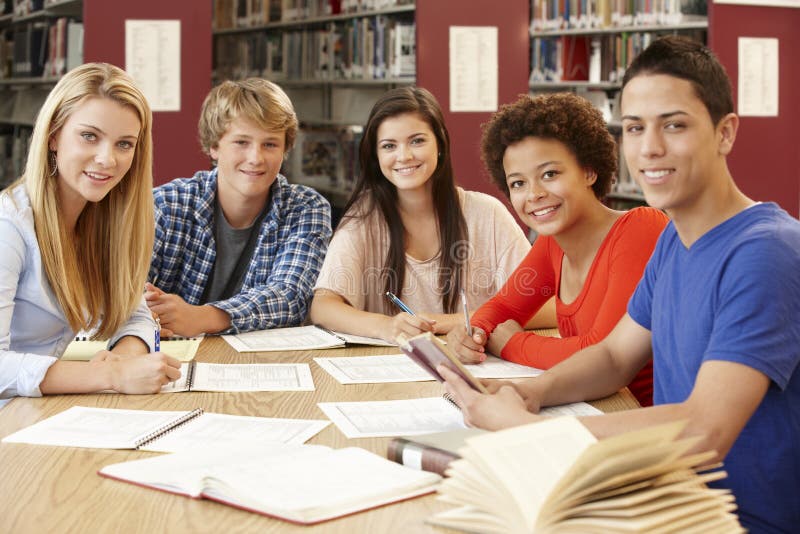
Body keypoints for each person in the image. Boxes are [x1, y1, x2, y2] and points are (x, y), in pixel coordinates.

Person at [439, 36, 800, 533]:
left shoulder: (766, 252)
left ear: (725, 133)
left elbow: (703, 431)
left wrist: (522, 429)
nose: (649, 148)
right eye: (634, 128)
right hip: (660, 497)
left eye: (674, 125)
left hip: (733, 521)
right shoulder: (674, 241)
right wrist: (532, 392)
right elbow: (614, 358)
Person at [448, 93, 668, 406]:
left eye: (549, 174)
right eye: (518, 183)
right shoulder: (554, 242)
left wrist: (512, 343)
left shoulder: (640, 229)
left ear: (589, 172)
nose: (534, 194)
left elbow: (601, 353)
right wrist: (474, 333)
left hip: (642, 421)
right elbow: (502, 309)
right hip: (590, 407)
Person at [0, 63, 182, 403]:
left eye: (124, 144)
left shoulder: (104, 221)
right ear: (54, 135)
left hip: (39, 410)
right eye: (89, 136)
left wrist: (127, 357)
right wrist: (110, 374)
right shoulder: (9, 227)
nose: (106, 159)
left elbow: (136, 311)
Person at [309, 87, 534, 342]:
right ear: (376, 156)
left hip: (479, 366)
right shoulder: (363, 220)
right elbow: (323, 307)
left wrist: (443, 322)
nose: (404, 156)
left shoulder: (487, 214)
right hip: (392, 371)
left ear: (439, 144)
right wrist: (386, 326)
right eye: (389, 146)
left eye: (417, 141)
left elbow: (545, 305)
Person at [145, 79, 332, 337]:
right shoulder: (166, 204)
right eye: (241, 142)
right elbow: (127, 293)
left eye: (270, 144)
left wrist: (201, 317)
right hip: (170, 357)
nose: (256, 158)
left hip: (259, 365)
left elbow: (291, 296)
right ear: (214, 147)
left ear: (285, 150)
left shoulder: (306, 208)